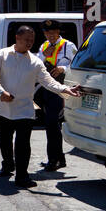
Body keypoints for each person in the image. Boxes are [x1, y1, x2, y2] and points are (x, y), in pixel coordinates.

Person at [0, 25, 81, 188]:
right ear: (17, 38)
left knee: (23, 143)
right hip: (3, 107)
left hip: (24, 108)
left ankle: (22, 176)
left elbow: (48, 81)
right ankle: (8, 164)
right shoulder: (1, 55)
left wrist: (65, 89)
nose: (30, 43)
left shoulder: (35, 62)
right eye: (26, 40)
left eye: (32, 40)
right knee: (5, 139)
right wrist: (0, 92)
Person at [36, 20, 79, 171]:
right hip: (48, 88)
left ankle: (53, 159)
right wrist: (44, 57)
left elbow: (76, 65)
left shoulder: (68, 45)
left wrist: (62, 68)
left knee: (52, 123)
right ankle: (59, 158)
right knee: (52, 124)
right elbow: (36, 65)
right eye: (48, 33)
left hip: (62, 88)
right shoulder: (44, 46)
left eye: (53, 32)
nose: (51, 35)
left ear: (58, 32)